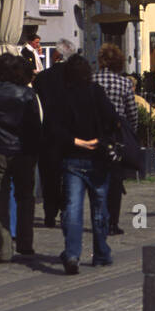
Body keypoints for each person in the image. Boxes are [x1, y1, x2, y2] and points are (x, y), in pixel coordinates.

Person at [45, 53, 118, 273]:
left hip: (72, 157)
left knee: (73, 209)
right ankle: (101, 252)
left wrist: (76, 141)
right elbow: (112, 120)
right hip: (97, 157)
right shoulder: (96, 93)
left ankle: (73, 254)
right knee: (99, 207)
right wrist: (98, 141)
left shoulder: (61, 96)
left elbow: (52, 127)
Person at [0, 54, 43, 262]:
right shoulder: (28, 94)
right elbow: (34, 126)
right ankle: (25, 243)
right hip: (22, 152)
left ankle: (4, 248)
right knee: (25, 198)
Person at [32, 38, 77, 228]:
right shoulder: (76, 77)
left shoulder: (43, 78)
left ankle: (50, 213)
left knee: (49, 176)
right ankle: (67, 211)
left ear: (56, 55)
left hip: (48, 132)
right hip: (72, 133)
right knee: (69, 175)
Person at [94, 43, 137, 235]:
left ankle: (99, 218)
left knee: (97, 179)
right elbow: (132, 112)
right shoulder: (125, 83)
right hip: (116, 136)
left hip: (95, 135)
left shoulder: (92, 80)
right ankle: (113, 222)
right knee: (115, 181)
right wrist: (131, 133)